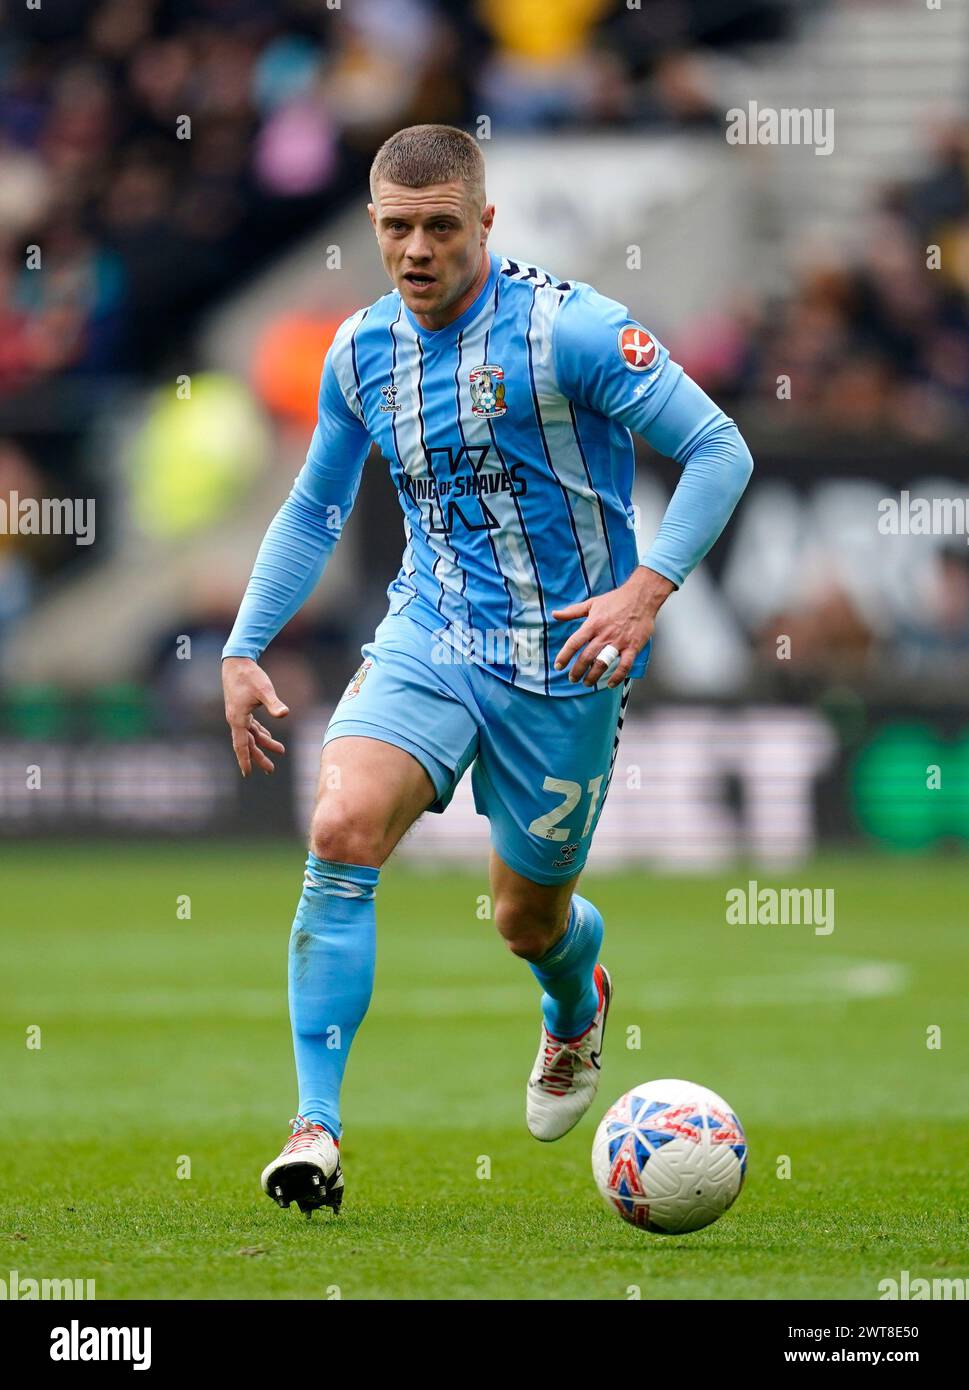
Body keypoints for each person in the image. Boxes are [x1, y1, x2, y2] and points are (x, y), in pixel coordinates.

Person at [221, 123, 753, 1217]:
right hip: (431, 633)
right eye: (396, 228)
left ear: (486, 223)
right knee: (340, 829)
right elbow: (317, 504)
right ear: (372, 226)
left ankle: (574, 1000)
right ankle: (314, 1126)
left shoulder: (575, 331)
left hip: (564, 662)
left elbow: (719, 449)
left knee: (527, 921)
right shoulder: (360, 350)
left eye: (441, 226)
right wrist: (241, 643)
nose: (417, 250)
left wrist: (646, 588)